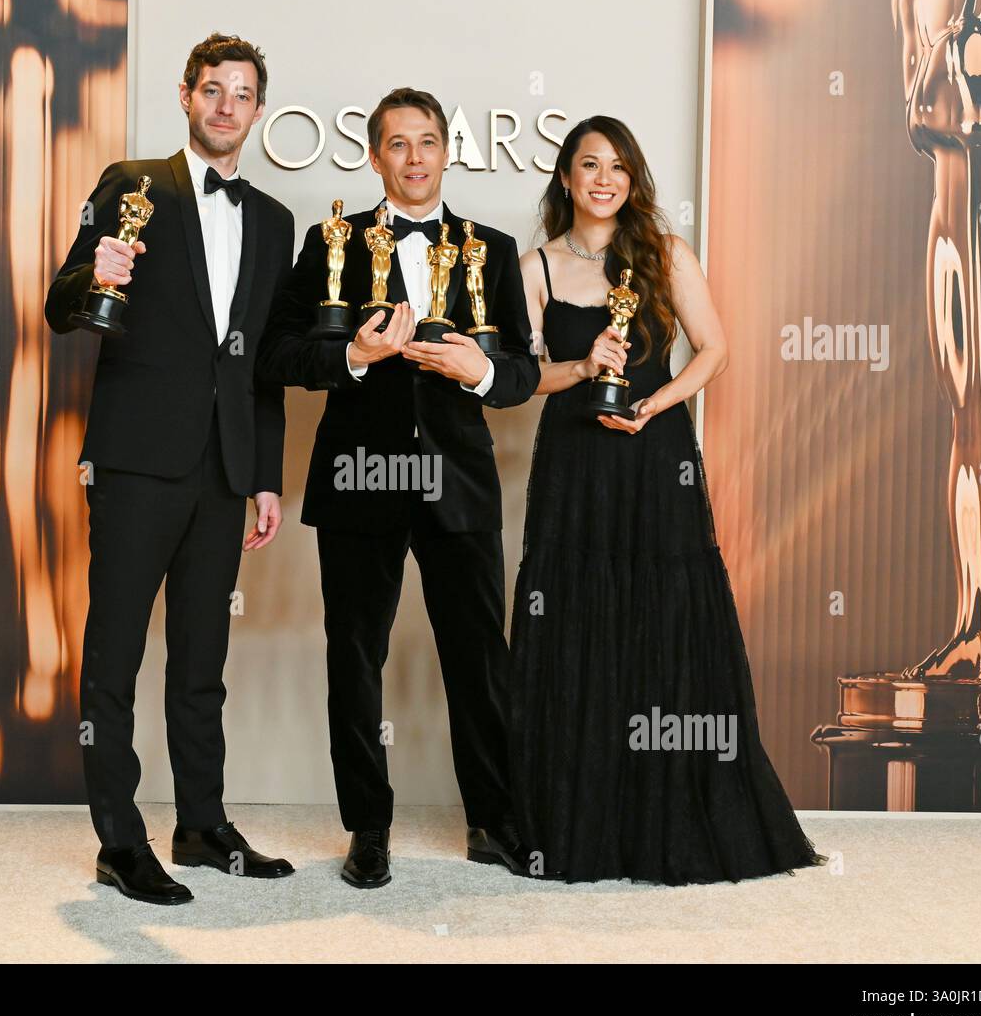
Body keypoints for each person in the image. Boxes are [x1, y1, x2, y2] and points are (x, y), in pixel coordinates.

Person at [508, 115, 826, 884]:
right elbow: (521, 378)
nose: (604, 179)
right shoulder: (536, 268)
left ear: (633, 177)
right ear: (566, 177)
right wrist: (583, 368)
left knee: (664, 612)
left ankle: (667, 812)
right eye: (589, 165)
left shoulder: (664, 253)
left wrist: (657, 403)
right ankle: (577, 818)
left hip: (656, 459)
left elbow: (714, 347)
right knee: (577, 614)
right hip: (576, 466)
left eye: (618, 166)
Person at [257, 87, 540, 888]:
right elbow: (277, 356)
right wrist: (355, 358)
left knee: (480, 657)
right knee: (354, 657)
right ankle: (368, 829)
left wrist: (479, 369)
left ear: (448, 151)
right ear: (375, 155)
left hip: (458, 481)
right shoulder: (329, 242)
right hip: (358, 480)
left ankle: (492, 818)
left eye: (427, 142)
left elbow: (522, 370)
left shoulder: (491, 246)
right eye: (398, 144)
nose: (414, 158)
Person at [45, 32, 295, 905]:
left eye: (244, 93)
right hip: (136, 462)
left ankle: (201, 823)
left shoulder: (274, 221)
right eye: (214, 89)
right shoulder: (133, 183)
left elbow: (261, 362)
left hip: (225, 470)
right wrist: (93, 273)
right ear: (187, 96)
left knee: (201, 662)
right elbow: (60, 302)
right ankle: (120, 839)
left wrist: (265, 475)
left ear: (259, 110)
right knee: (113, 656)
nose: (228, 105)